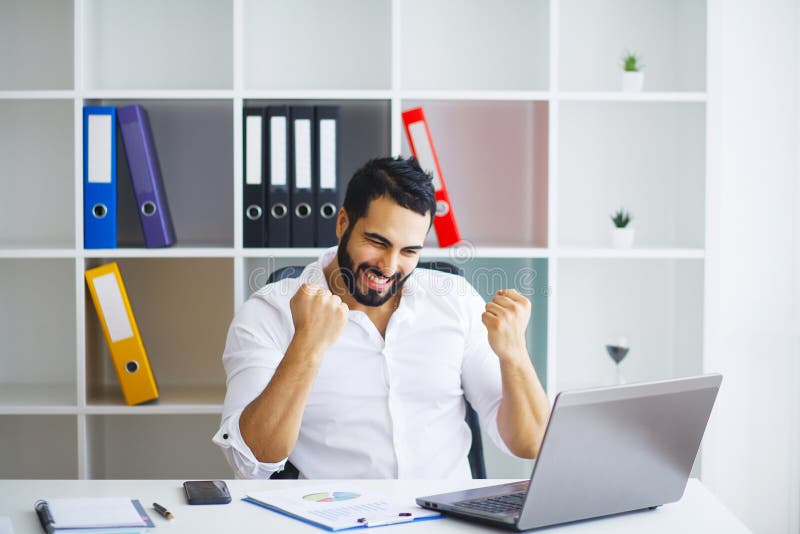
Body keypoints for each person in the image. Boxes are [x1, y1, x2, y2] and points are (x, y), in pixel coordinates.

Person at [213, 156, 550, 479]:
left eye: (409, 251)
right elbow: (249, 461)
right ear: (343, 222)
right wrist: (306, 346)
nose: (389, 266)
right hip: (335, 517)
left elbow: (530, 443)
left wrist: (515, 354)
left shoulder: (456, 301)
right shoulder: (269, 312)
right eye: (377, 242)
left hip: (447, 519)